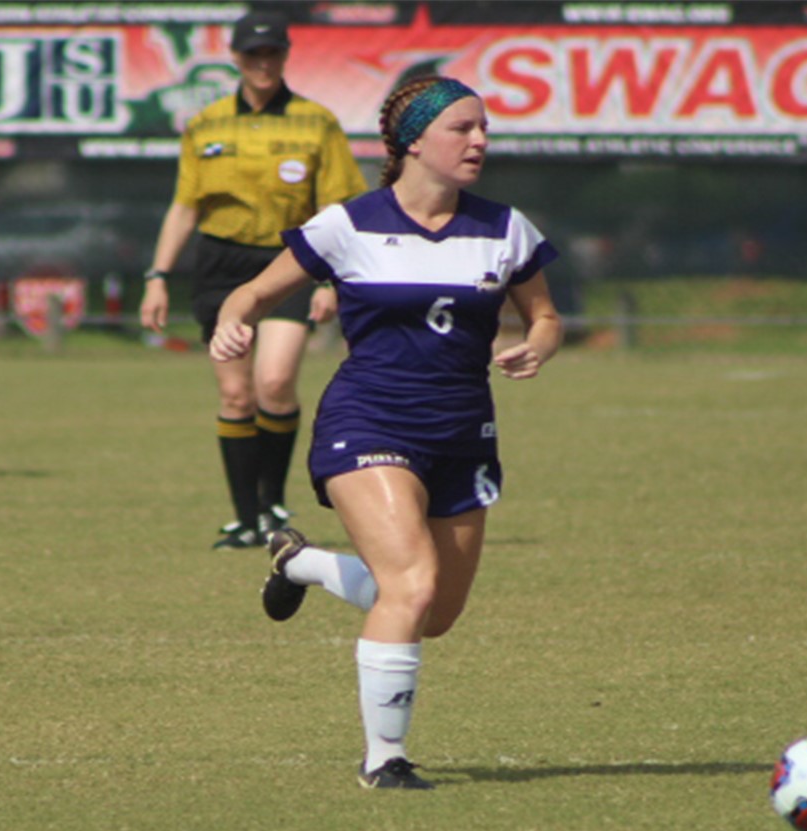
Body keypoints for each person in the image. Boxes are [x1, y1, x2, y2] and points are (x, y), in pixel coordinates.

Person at [210, 76, 562, 789]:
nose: (480, 141)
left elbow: (546, 315)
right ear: (411, 142)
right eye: (462, 128)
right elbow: (256, 289)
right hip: (367, 419)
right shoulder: (349, 223)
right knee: (411, 582)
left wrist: (541, 344)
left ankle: (300, 564)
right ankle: (384, 761)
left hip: (464, 432)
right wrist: (233, 317)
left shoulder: (504, 226)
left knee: (433, 613)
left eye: (484, 128)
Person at [140, 11, 367, 548]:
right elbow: (184, 207)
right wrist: (157, 276)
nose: (263, 64)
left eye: (272, 54)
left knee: (275, 382)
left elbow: (340, 207)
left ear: (286, 57)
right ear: (235, 58)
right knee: (237, 394)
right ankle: (245, 519)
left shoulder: (317, 122)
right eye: (252, 55)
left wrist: (332, 280)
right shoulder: (206, 122)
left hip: (289, 261)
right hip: (221, 268)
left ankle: (271, 504)